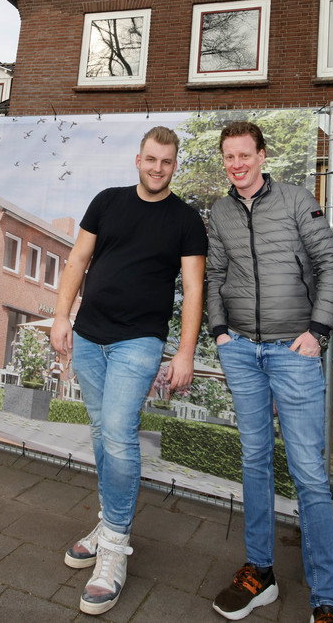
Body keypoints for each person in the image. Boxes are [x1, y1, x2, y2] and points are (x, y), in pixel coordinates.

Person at [51, 125, 208, 616]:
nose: (157, 168)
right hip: (89, 336)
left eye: (166, 162)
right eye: (151, 159)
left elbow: (194, 290)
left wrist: (184, 353)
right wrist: (61, 316)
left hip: (138, 342)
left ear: (174, 166)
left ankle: (115, 548)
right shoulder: (107, 201)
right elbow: (77, 259)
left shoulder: (186, 220)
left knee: (118, 433)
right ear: (137, 160)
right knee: (101, 431)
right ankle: (107, 523)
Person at [206, 120, 333, 623]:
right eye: (229, 157)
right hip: (242, 351)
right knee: (254, 460)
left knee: (309, 474)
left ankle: (325, 599)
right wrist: (220, 333)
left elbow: (331, 267)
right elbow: (216, 273)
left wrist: (318, 332)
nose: (237, 165)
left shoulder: (294, 199)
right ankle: (259, 573)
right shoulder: (219, 212)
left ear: (262, 156)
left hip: (295, 353)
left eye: (245, 155)